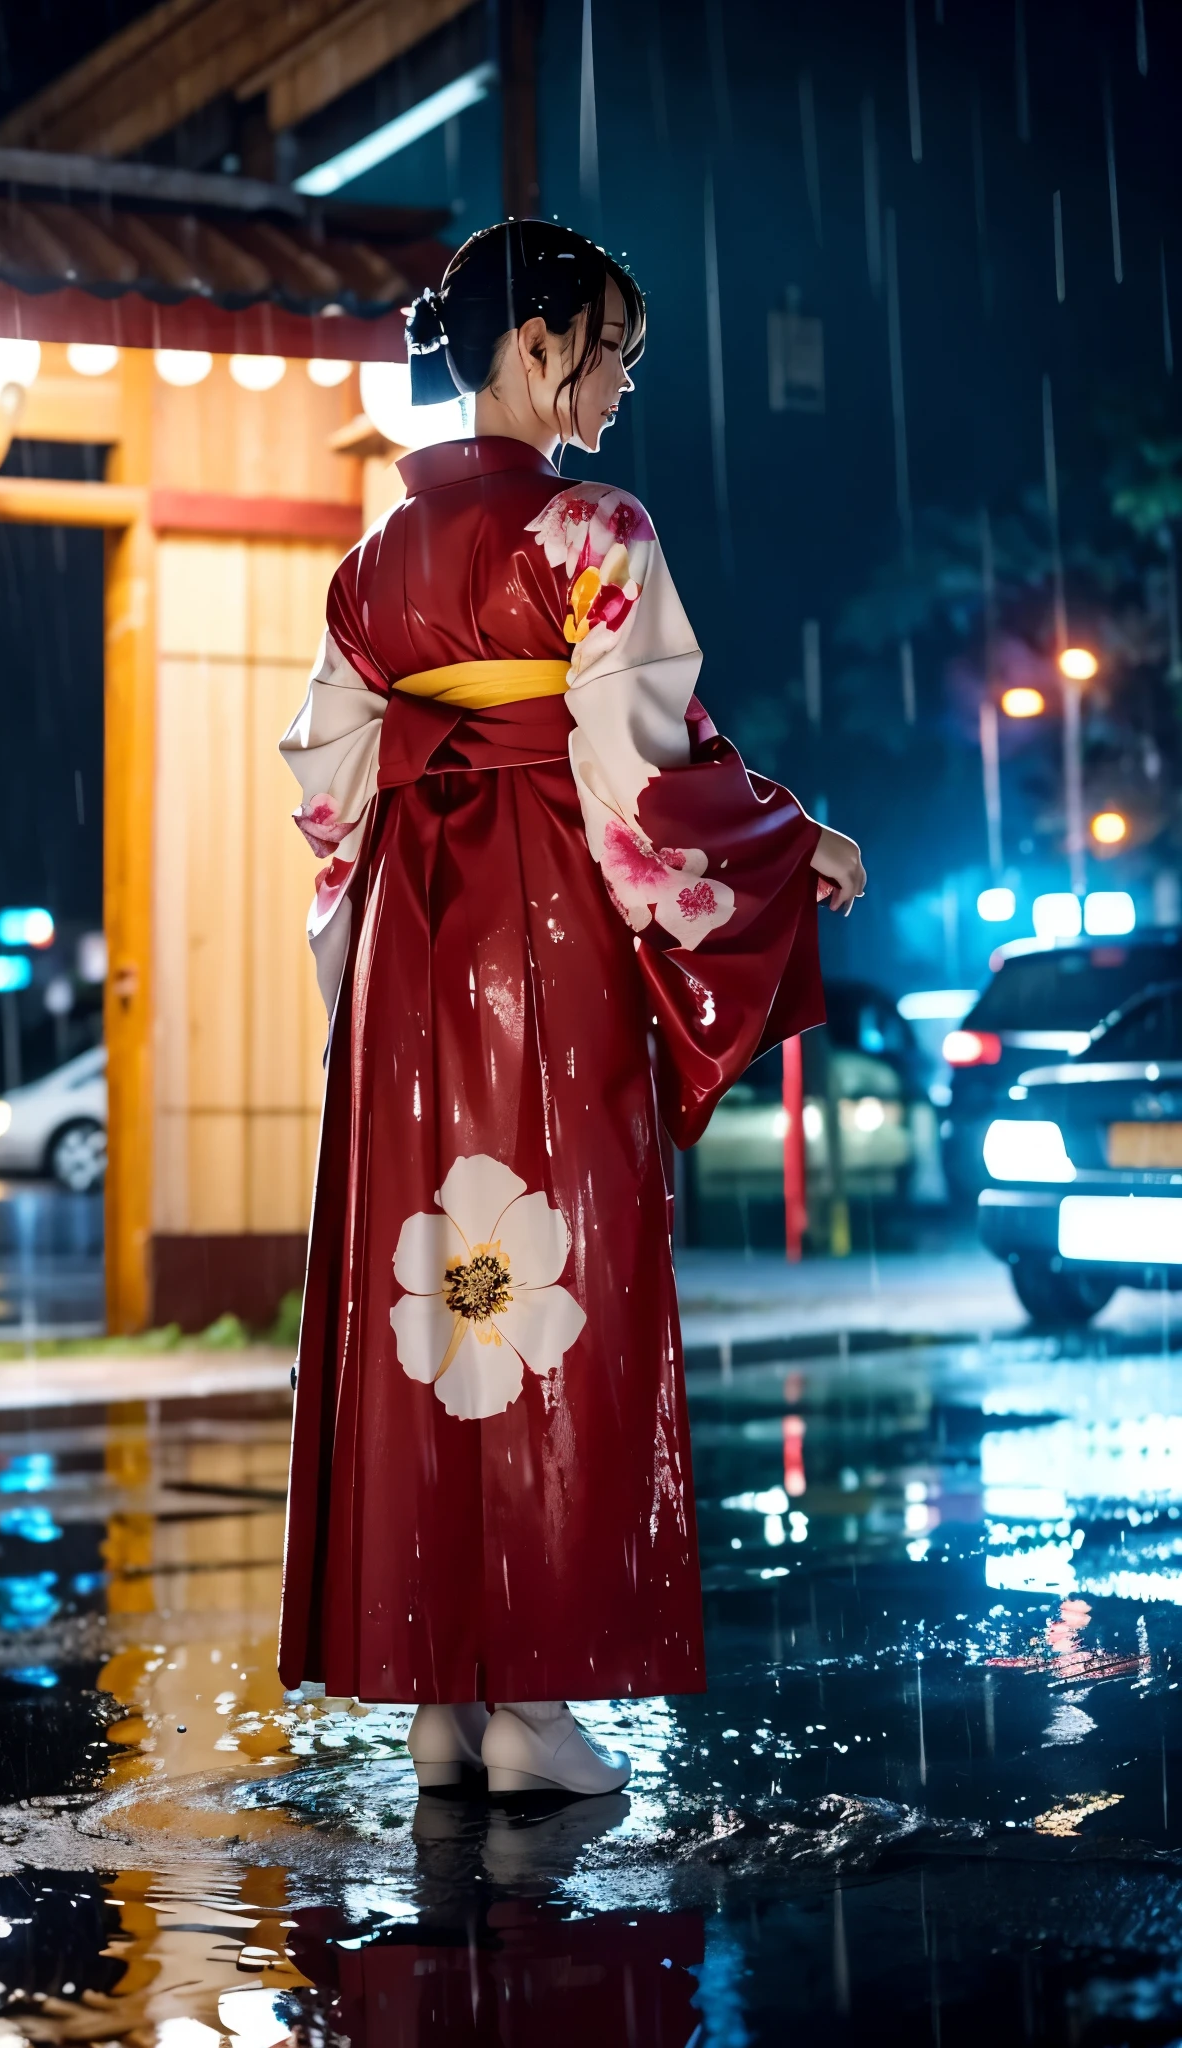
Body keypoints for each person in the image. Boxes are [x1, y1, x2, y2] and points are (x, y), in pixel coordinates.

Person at [278, 219, 864, 1797]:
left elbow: (331, 800)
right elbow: (640, 770)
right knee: (564, 1279)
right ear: (537, 346)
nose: (618, 383)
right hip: (545, 918)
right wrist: (787, 838)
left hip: (411, 940)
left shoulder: (371, 565)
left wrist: (368, 963)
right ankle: (532, 1703)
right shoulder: (592, 529)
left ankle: (433, 1696)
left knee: (426, 1297)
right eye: (610, 351)